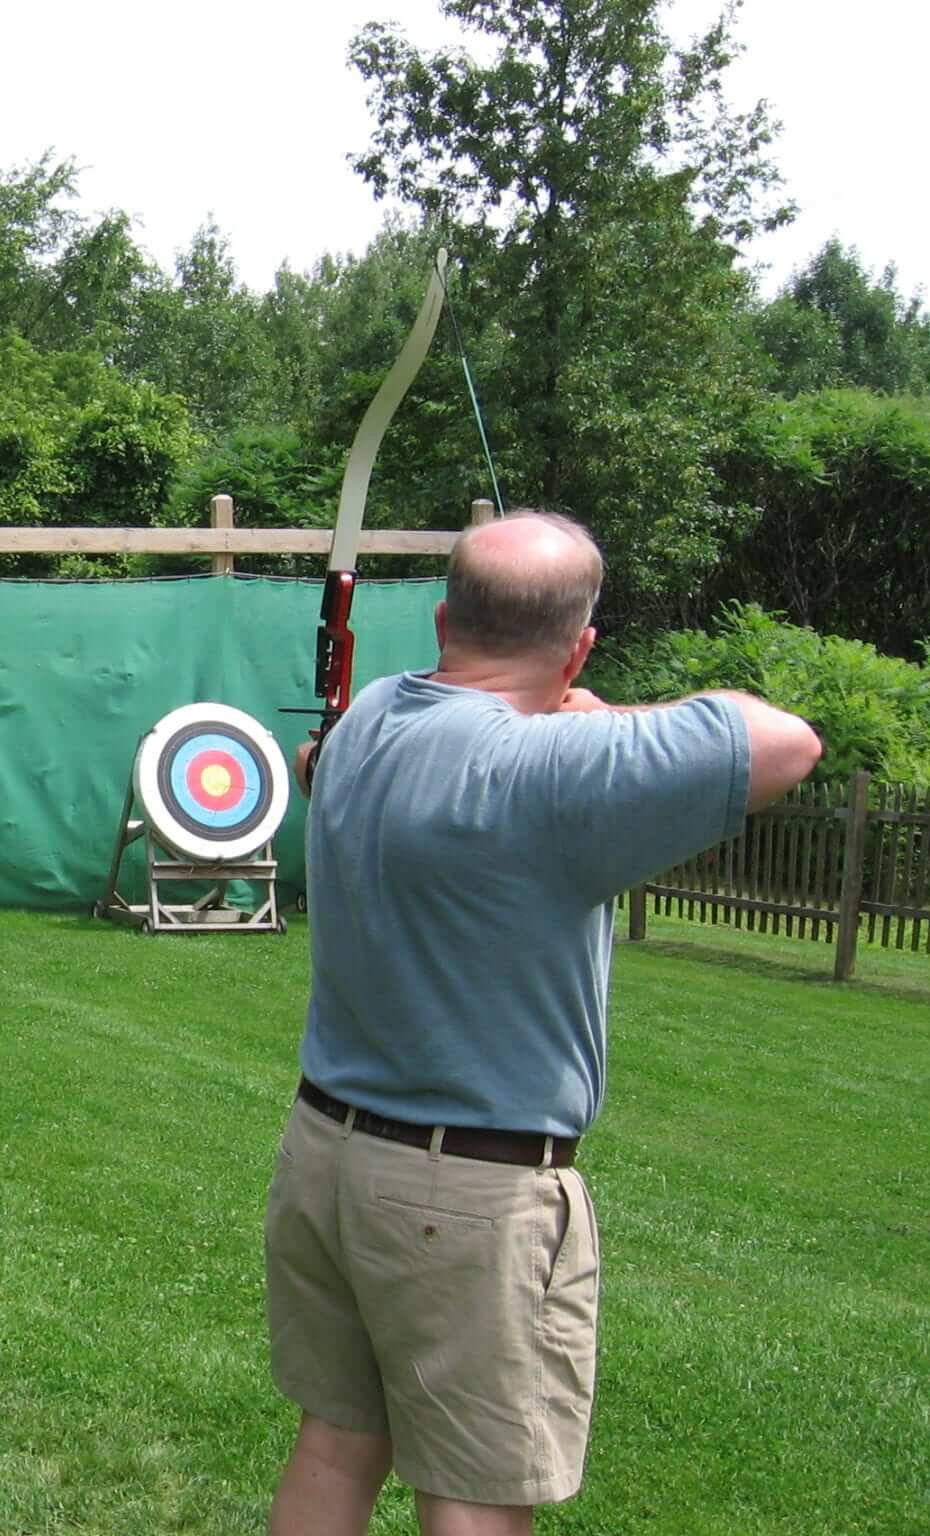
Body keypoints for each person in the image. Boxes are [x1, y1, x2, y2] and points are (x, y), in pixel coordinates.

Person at [263, 511, 821, 1536]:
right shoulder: (556, 770)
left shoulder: (371, 718)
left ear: (444, 622)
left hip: (325, 1155)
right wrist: (594, 719)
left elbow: (315, 761)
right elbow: (786, 741)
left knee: (335, 1447)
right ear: (578, 649)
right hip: (463, 1194)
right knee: (475, 1496)